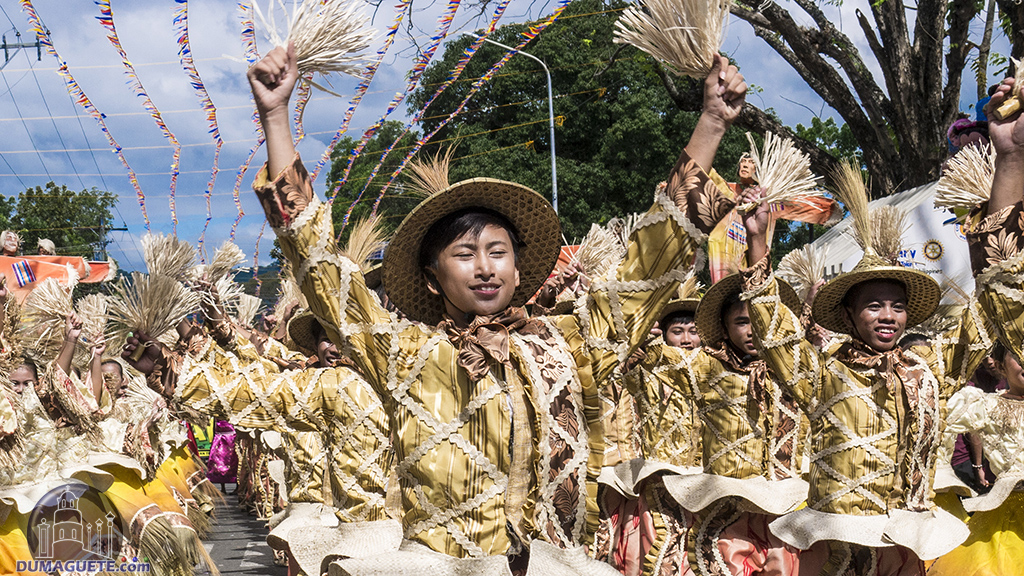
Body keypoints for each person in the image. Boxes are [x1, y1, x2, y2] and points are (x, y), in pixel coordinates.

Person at [127, 45, 747, 574]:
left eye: (498, 251)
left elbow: (644, 273)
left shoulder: (565, 344)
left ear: (517, 266)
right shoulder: (406, 354)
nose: (484, 266)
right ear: (431, 275)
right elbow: (321, 268)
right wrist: (277, 117)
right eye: (465, 253)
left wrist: (713, 121)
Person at [734, 107, 1020, 571]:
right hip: (835, 549)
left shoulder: (931, 368)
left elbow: (988, 312)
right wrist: (758, 244)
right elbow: (775, 332)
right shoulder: (821, 370)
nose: (888, 316)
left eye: (897, 306)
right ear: (848, 314)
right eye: (873, 306)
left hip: (905, 544)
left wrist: (991, 211)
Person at [929, 342, 1024, 576]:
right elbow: (938, 420)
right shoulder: (985, 406)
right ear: (1001, 366)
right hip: (1009, 519)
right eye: (1019, 355)